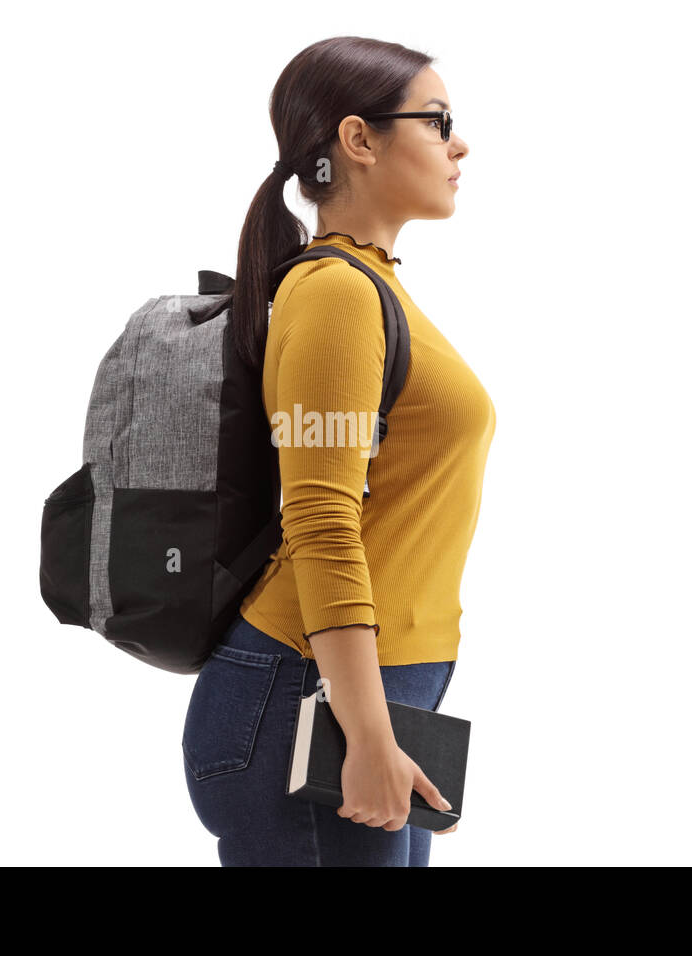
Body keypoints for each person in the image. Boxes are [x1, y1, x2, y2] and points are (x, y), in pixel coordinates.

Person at [181, 35, 495, 866]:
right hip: (307, 702)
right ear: (359, 140)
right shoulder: (336, 296)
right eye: (437, 123)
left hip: (363, 691)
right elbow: (322, 521)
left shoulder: (377, 286)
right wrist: (366, 734)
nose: (459, 144)